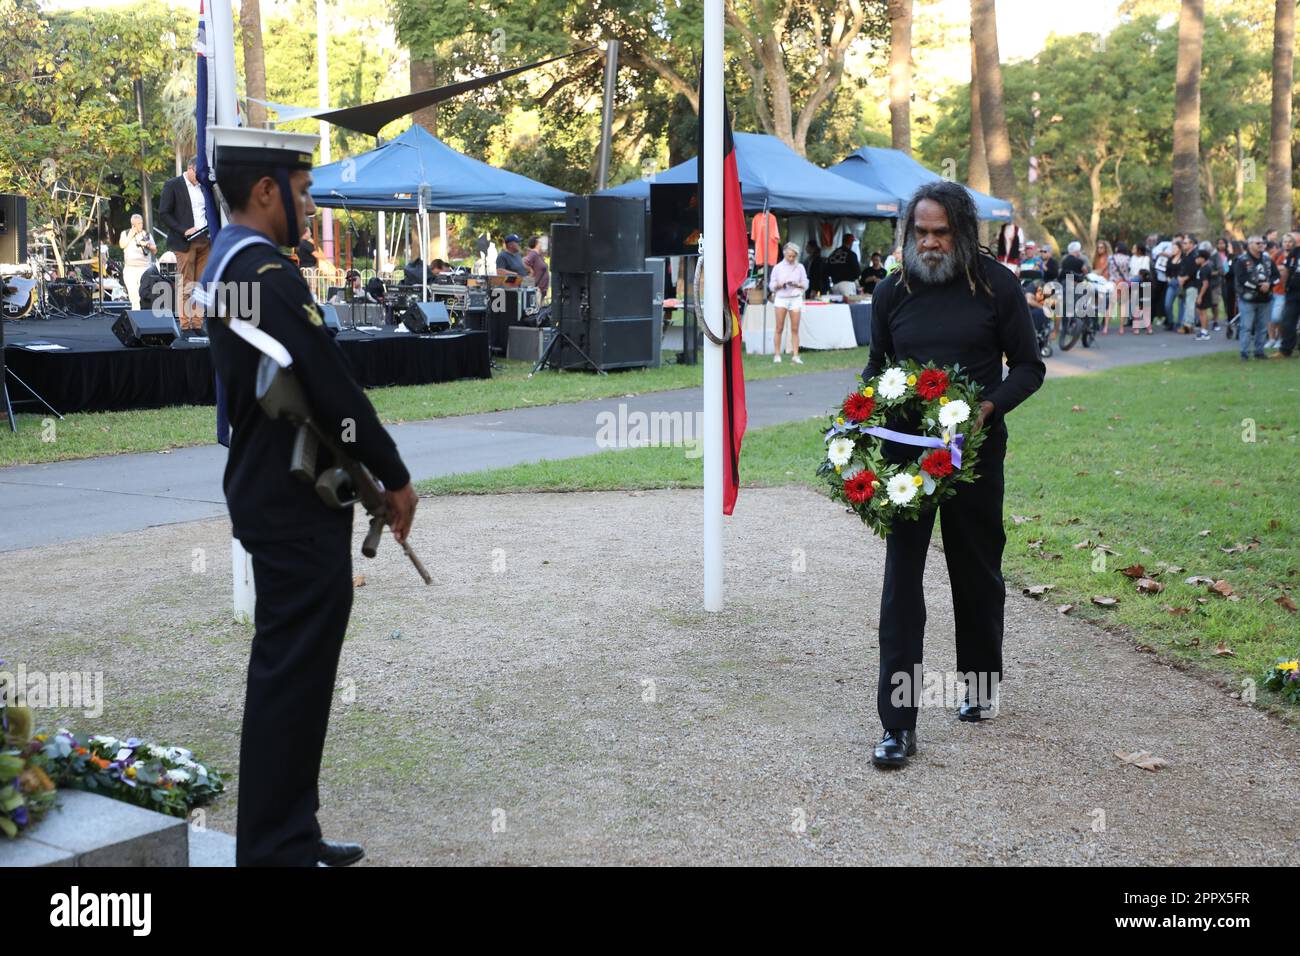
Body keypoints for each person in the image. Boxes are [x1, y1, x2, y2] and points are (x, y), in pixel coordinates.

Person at [200, 128, 418, 866]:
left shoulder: (224, 263)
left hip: (270, 491)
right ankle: (274, 845)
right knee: (292, 674)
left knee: (293, 671)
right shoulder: (265, 274)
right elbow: (332, 389)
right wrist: (391, 472)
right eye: (301, 190)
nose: (309, 201)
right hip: (292, 502)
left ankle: (289, 830)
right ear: (265, 190)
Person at [863, 181, 1045, 769]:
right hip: (906, 462)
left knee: (975, 573)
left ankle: (981, 684)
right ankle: (898, 725)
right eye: (921, 232)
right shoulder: (893, 290)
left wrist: (988, 406)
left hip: (975, 458)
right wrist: (861, 412)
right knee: (902, 586)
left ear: (963, 232)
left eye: (941, 232)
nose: (931, 242)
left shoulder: (998, 287)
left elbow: (1030, 367)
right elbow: (878, 367)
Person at [157, 156, 211, 333]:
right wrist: (183, 229)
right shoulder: (173, 184)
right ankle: (185, 324)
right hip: (184, 241)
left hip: (205, 240)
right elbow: (164, 213)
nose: (200, 177)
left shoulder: (205, 187)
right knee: (186, 283)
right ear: (190, 168)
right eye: (199, 173)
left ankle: (197, 323)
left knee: (201, 284)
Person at [1233, 234, 1280, 360]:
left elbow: (1277, 276)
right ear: (1250, 245)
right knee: (1246, 327)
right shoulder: (1242, 260)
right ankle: (1244, 353)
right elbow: (1241, 279)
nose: (1261, 245)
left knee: (1262, 327)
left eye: (1263, 243)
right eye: (1258, 243)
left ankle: (1259, 352)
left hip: (1266, 299)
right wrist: (1259, 286)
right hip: (1248, 299)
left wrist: (1269, 284)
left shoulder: (1267, 259)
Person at [768, 242, 808, 364]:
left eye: (793, 256)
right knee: (779, 327)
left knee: (795, 328)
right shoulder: (778, 267)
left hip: (795, 298)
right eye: (789, 256)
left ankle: (795, 355)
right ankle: (777, 355)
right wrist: (779, 285)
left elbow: (805, 283)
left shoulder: (800, 267)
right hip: (781, 298)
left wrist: (798, 284)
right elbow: (771, 286)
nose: (791, 259)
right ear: (785, 254)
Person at [118, 213, 156, 312]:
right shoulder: (125, 233)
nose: (141, 225)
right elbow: (122, 245)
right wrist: (131, 235)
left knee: (144, 293)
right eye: (138, 223)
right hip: (130, 269)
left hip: (144, 268)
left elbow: (155, 250)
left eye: (141, 223)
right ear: (133, 224)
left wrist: (147, 245)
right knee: (133, 294)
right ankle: (136, 314)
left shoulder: (147, 234)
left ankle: (145, 315)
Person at [1268, 233, 1292, 349]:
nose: (1287, 244)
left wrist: (1284, 268)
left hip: (1286, 291)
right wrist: (1282, 268)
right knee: (1271, 317)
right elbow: (1269, 267)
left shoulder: (1295, 255)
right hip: (1274, 289)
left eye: (1289, 241)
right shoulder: (1276, 255)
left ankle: (1280, 338)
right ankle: (1272, 338)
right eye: (1285, 241)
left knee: (1278, 317)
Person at [1280, 231, 1300, 357]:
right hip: (1293, 292)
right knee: (1288, 321)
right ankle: (1285, 350)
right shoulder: (1295, 252)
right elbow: (1286, 270)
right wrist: (1285, 286)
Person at [1128, 242, 1153, 333]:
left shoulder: (1145, 258)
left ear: (1139, 250)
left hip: (1139, 282)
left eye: (1134, 248)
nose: (1132, 250)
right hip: (1143, 282)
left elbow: (1141, 271)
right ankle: (1148, 328)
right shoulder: (1133, 258)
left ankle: (1137, 328)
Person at [826, 232, 860, 296]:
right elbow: (857, 272)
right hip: (847, 284)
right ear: (850, 242)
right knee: (850, 305)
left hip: (835, 284)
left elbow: (827, 270)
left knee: (838, 305)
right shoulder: (851, 254)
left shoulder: (833, 254)